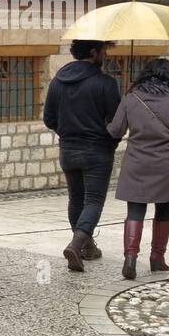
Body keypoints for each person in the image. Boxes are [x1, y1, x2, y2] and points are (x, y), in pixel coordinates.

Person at [106, 59, 169, 280]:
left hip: (137, 162)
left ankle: (131, 259)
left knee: (135, 211)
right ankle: (157, 259)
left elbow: (116, 130)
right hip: (168, 163)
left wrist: (107, 122)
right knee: (164, 210)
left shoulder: (131, 97)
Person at [44, 40, 121, 272]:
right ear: (94, 52)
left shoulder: (57, 82)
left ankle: (86, 247)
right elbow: (117, 121)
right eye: (104, 50)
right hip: (97, 150)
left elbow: (49, 119)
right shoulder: (106, 83)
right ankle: (77, 245)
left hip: (68, 149)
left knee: (76, 199)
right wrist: (110, 140)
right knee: (94, 200)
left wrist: (67, 133)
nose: (106, 55)